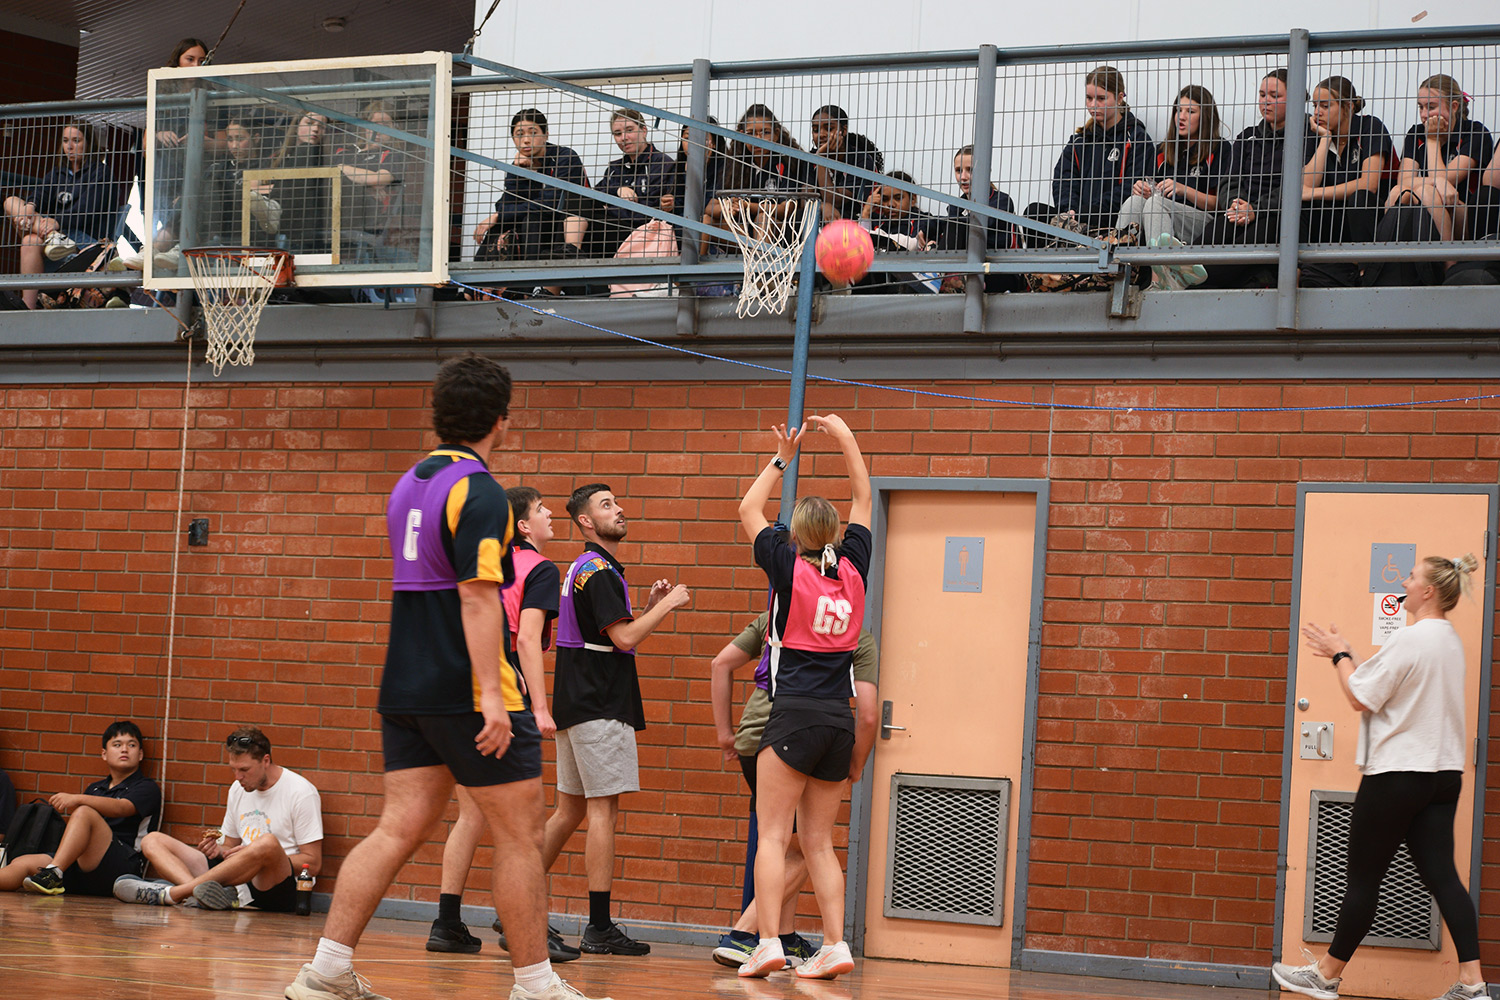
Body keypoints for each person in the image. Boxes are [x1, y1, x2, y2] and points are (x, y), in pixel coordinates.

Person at [284, 356, 600, 1000]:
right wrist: (489, 695)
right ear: (502, 421)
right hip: (467, 686)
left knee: (397, 826)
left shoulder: (408, 484)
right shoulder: (480, 491)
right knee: (519, 835)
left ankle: (325, 970)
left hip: (405, 684)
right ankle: (536, 984)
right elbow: (480, 598)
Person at [1273, 554, 1486, 1000]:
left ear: (1428, 591)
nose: (1404, 582)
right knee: (1444, 877)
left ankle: (1327, 975)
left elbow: (1359, 696)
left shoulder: (1412, 639)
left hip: (1397, 775)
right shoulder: (1449, 641)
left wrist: (1340, 653)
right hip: (1443, 776)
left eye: (1411, 577)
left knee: (1364, 878)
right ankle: (1473, 983)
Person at [734, 414, 874, 981]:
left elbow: (747, 510)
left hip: (791, 716)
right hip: (838, 725)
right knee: (819, 843)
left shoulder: (787, 567)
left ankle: (768, 940)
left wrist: (781, 457)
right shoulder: (855, 566)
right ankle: (836, 944)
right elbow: (864, 496)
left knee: (773, 834)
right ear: (837, 535)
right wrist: (844, 437)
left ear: (794, 535)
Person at [540, 482, 691, 956]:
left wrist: (645, 608)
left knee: (570, 810)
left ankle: (514, 903)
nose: (618, 509)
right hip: (599, 704)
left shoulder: (584, 568)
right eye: (606, 506)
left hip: (575, 701)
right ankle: (600, 927)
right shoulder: (600, 570)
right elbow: (625, 642)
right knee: (602, 809)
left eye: (616, 502)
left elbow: (615, 633)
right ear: (585, 521)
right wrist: (666, 607)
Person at [433, 486, 580, 964]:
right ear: (523, 525)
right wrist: (539, 706)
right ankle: (524, 929)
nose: (551, 515)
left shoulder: (489, 563)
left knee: (471, 814)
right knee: (523, 827)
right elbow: (529, 639)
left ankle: (447, 922)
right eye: (542, 510)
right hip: (503, 694)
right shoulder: (539, 568)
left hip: (463, 690)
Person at [708, 606, 879, 967]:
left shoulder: (778, 615)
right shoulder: (855, 632)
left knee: (783, 841)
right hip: (810, 730)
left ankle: (778, 938)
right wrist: (857, 762)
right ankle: (747, 935)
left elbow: (720, 663)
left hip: (763, 731)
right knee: (805, 846)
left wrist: (724, 732)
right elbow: (868, 714)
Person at [118, 727, 321, 911]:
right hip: (236, 882)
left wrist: (257, 854)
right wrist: (218, 850)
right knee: (152, 840)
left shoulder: (300, 792)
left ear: (265, 761)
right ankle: (198, 895)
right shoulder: (238, 789)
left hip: (275, 885)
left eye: (244, 770)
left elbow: (312, 863)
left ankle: (176, 893)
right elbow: (230, 846)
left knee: (267, 843)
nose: (237, 777)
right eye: (233, 769)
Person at [0, 721, 159, 896]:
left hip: (123, 869)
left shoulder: (147, 787)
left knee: (84, 812)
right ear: (104, 754)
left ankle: (53, 873)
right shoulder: (95, 789)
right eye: (117, 744)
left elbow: (121, 808)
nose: (124, 749)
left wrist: (77, 798)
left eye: (132, 745)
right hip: (83, 865)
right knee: (23, 862)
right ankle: (54, 873)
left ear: (141, 754)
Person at [1196, 69, 1303, 288]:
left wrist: (1255, 209)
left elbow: (1299, 187)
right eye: (1263, 95)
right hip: (1242, 212)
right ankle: (1184, 269)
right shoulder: (1247, 136)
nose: (1266, 101)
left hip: (1276, 216)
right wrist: (1237, 204)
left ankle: (1195, 281)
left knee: (1249, 243)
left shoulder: (1307, 136)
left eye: (1275, 96)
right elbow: (1229, 181)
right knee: (1216, 230)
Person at [3, 122, 118, 308]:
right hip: (56, 239)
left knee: (30, 239)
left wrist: (57, 222)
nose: (69, 146)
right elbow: (40, 193)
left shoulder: (100, 172)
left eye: (76, 140)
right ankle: (28, 308)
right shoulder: (58, 173)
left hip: (84, 243)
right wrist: (31, 206)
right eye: (65, 141)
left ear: (88, 143)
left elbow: (88, 210)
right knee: (11, 204)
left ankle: (53, 237)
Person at [1298, 76, 1394, 287]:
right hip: (1330, 225)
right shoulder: (1313, 134)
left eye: (1325, 106)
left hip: (1367, 222)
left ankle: (1364, 269)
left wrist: (1312, 193)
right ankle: (1303, 268)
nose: (1317, 113)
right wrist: (1325, 140)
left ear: (1348, 107)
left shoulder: (1370, 126)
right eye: (1315, 106)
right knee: (1300, 206)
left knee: (1360, 198)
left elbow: (1368, 184)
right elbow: (1307, 184)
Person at [1114, 85, 1227, 248]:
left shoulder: (1219, 148)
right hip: (1161, 219)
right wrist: (1142, 189)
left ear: (1206, 116)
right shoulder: (1162, 150)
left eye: (1190, 112)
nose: (1181, 117)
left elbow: (1220, 204)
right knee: (1135, 201)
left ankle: (1161, 272)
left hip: (1204, 224)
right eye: (1178, 110)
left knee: (1157, 205)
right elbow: (1151, 191)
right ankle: (1119, 268)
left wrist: (1183, 190)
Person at [1384, 74, 1492, 244]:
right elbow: (1403, 180)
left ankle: (1450, 262)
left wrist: (1432, 140)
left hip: (1462, 212)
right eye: (1420, 107)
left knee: (1427, 192)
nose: (1424, 114)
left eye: (1431, 107)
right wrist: (1437, 181)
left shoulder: (1476, 132)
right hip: (1423, 204)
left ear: (1454, 106)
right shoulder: (1416, 133)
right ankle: (1391, 263)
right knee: (1399, 192)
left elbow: (1449, 182)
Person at [472, 108, 590, 265]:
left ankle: (528, 281)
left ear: (546, 134)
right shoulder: (519, 164)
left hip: (568, 226)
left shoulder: (564, 157)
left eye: (533, 133)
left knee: (530, 218)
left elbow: (552, 203)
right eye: (519, 134)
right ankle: (475, 287)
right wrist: (517, 171)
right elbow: (505, 205)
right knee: (501, 224)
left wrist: (500, 216)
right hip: (536, 229)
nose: (526, 140)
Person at [1050, 65, 1155, 231]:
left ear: (1119, 98)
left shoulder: (1136, 138)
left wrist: (1091, 211)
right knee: (1034, 212)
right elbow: (1063, 180)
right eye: (1089, 98)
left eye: (1101, 98)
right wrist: (1070, 210)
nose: (1093, 105)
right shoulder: (1079, 141)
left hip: (1112, 219)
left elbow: (1133, 186)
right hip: (1077, 218)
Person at [575, 109, 674, 257]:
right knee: (576, 200)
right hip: (610, 229)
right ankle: (569, 251)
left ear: (644, 130)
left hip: (641, 232)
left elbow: (658, 207)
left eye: (629, 130)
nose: (624, 138)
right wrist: (617, 190)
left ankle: (570, 253)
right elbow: (594, 196)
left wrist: (614, 205)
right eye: (618, 133)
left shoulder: (663, 164)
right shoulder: (615, 168)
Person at [205, 117, 279, 245]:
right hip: (221, 232)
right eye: (230, 140)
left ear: (255, 138)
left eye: (240, 139)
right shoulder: (219, 168)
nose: (234, 146)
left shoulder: (267, 166)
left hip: (254, 238)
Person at [271, 112, 333, 256]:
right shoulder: (281, 158)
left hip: (311, 235)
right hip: (287, 234)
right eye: (310, 124)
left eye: (322, 126)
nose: (316, 129)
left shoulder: (324, 158)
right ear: (297, 127)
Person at [808, 105, 883, 222]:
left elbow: (834, 201)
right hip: (818, 220)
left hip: (855, 223)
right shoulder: (809, 158)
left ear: (844, 130)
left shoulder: (861, 161)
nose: (821, 134)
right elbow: (805, 200)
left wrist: (821, 160)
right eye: (816, 130)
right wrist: (822, 206)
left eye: (828, 129)